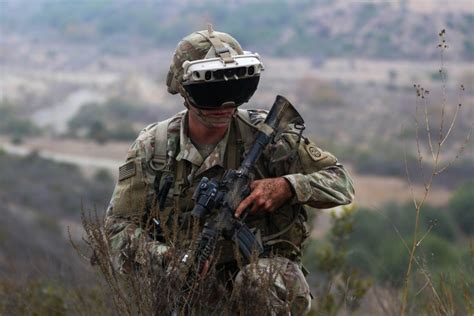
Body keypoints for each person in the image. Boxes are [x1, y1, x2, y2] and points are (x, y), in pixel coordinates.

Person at [104, 26, 354, 315]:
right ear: (184, 91)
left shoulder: (269, 137)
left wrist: (288, 186)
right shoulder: (154, 148)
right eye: (211, 91)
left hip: (265, 279)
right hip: (186, 280)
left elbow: (341, 182)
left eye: (235, 91)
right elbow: (117, 228)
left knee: (258, 283)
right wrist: (169, 260)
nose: (224, 105)